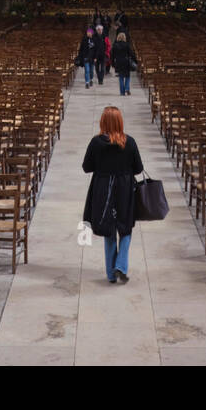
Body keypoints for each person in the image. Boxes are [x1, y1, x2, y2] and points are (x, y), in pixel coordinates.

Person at [82, 105, 144, 284]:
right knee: (126, 227)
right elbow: (138, 168)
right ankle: (121, 266)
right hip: (125, 188)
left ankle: (111, 274)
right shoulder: (129, 142)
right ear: (120, 122)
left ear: (103, 121)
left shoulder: (96, 142)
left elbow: (87, 167)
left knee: (108, 229)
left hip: (103, 187)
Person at [111, 31, 136, 96]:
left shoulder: (115, 45)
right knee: (127, 76)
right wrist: (135, 60)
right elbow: (131, 54)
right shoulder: (127, 44)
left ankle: (122, 92)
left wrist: (113, 63)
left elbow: (112, 55)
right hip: (126, 62)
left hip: (119, 62)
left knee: (121, 77)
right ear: (124, 37)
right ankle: (127, 88)